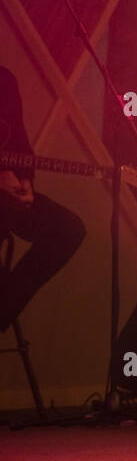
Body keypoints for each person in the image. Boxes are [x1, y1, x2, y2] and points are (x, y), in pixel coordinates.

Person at [0, 65, 86, 333]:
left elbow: (19, 144)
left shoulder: (4, 80)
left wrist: (25, 181)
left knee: (68, 229)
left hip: (6, 194)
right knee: (7, 210)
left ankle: (1, 310)